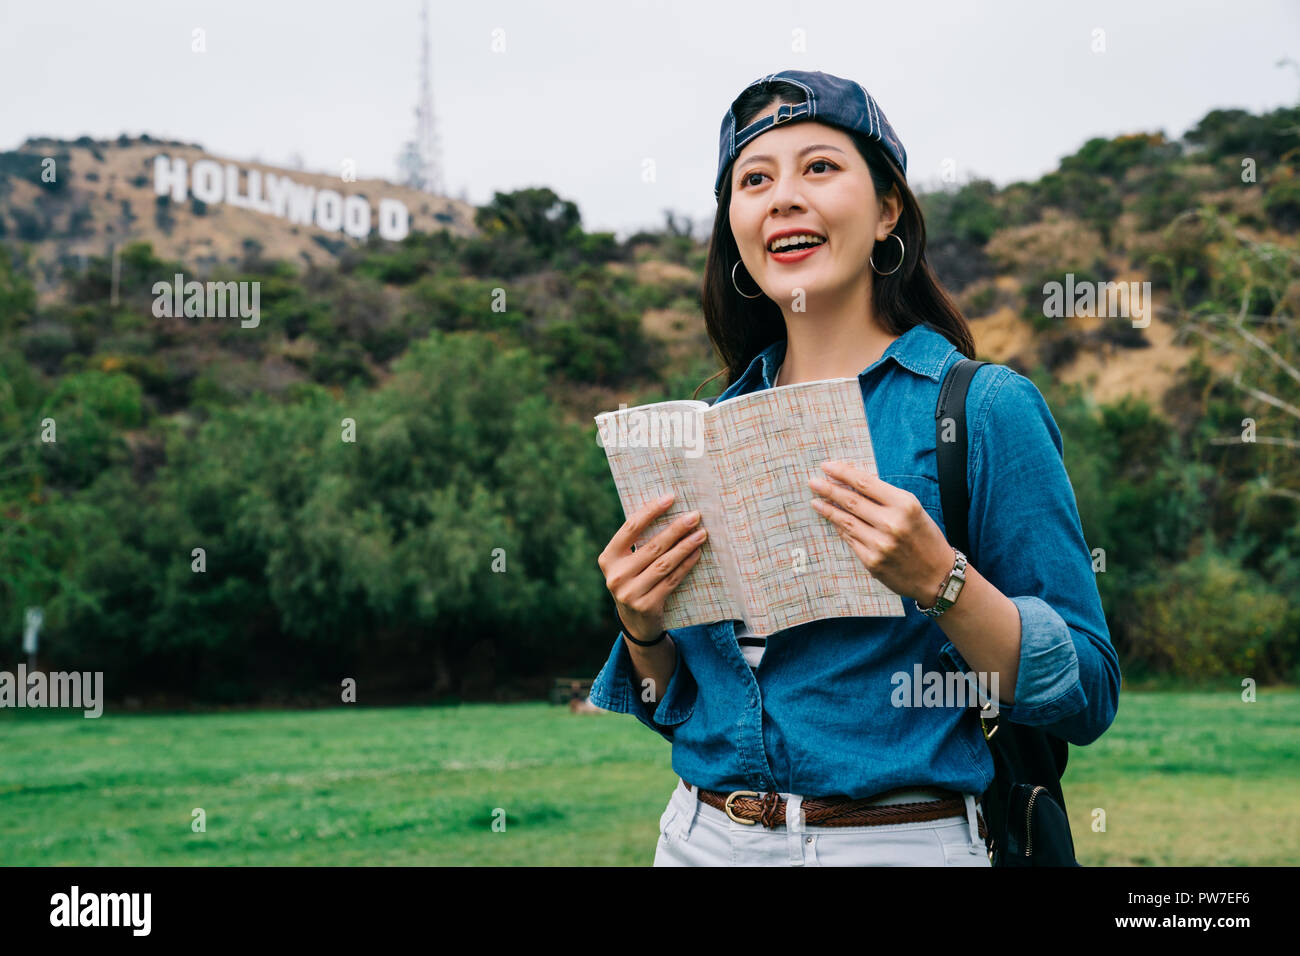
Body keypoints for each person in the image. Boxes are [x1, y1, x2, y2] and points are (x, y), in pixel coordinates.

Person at [590, 70, 1120, 866]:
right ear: (734, 226)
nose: (783, 198)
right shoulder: (696, 434)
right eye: (754, 180)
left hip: (898, 843)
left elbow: (1086, 687)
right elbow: (675, 706)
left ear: (888, 209)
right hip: (698, 838)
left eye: (820, 168)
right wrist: (641, 626)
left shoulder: (981, 410)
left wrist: (943, 581)